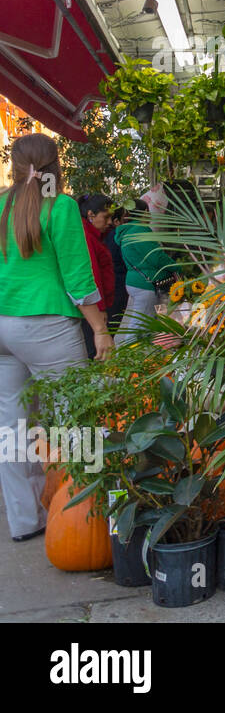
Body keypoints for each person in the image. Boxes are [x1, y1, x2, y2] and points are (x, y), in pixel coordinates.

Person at [0, 134, 111, 542]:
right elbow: (78, 278)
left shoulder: (0, 203)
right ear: (53, 165)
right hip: (44, 324)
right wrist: (100, 328)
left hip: (2, 324)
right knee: (80, 421)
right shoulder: (60, 206)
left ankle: (25, 522)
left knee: (11, 429)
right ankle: (90, 521)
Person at [116, 197, 178, 341]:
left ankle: (145, 355)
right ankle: (127, 356)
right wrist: (176, 267)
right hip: (146, 284)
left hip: (136, 280)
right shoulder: (139, 230)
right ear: (144, 212)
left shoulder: (126, 231)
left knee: (149, 323)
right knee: (138, 326)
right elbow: (156, 257)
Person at [76, 194, 116, 358]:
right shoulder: (86, 237)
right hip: (93, 308)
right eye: (105, 217)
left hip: (97, 304)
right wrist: (99, 310)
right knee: (96, 354)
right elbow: (92, 275)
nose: (109, 222)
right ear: (91, 215)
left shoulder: (95, 236)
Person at [104, 203, 131, 330]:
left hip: (114, 284)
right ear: (116, 221)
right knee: (112, 324)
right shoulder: (117, 236)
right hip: (117, 285)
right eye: (125, 220)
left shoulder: (104, 236)